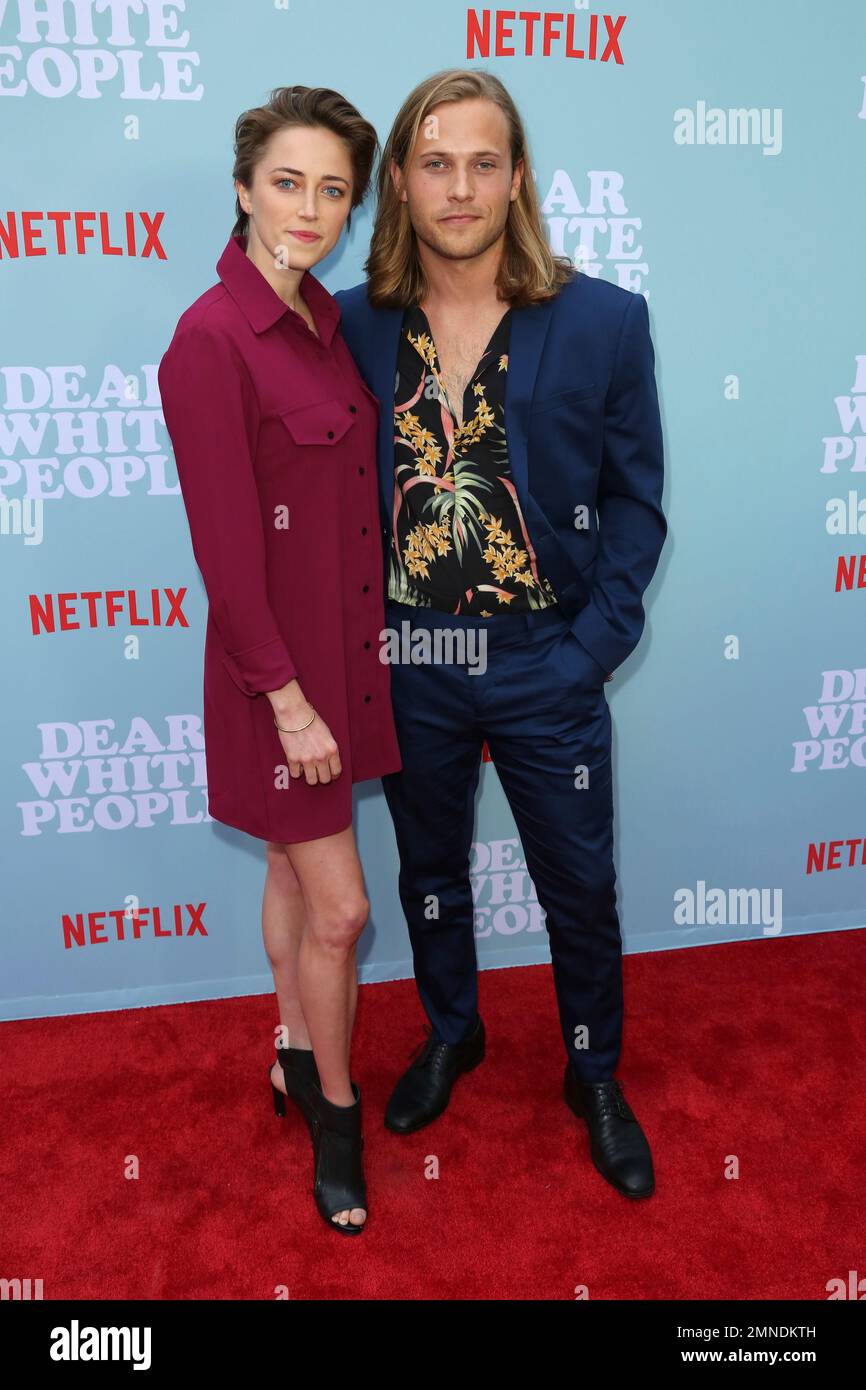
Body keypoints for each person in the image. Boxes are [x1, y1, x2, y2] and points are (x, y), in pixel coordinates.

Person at [335, 69, 667, 1199]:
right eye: (435, 163)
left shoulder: (602, 319)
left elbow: (634, 501)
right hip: (415, 653)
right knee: (429, 869)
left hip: (543, 653)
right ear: (401, 181)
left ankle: (593, 1073)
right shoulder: (354, 324)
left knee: (576, 881)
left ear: (516, 176)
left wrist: (592, 646)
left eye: (482, 162)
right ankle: (451, 1030)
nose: (459, 186)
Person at [158, 86, 402, 1234]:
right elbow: (226, 548)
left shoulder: (326, 320)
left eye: (333, 190)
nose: (309, 210)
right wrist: (290, 703)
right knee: (344, 911)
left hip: (341, 663)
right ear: (244, 188)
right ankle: (336, 1115)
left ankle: (290, 1050)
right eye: (287, 183)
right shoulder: (210, 340)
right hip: (278, 684)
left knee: (289, 880)